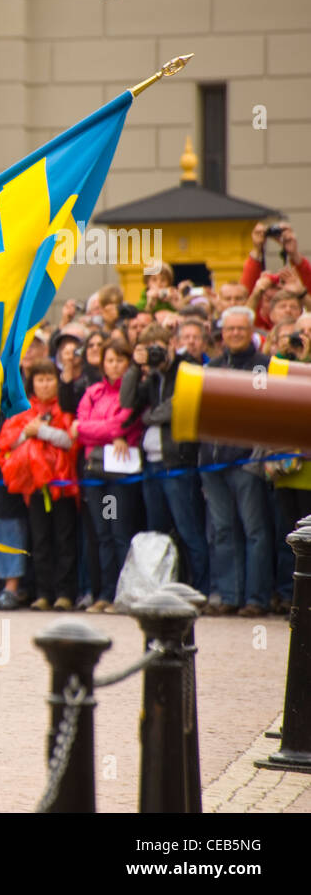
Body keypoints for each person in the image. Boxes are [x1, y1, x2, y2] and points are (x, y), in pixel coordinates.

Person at [122, 324, 210, 597]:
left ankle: (199, 589)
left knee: (189, 530)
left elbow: (178, 403)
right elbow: (127, 401)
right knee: (157, 533)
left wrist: (148, 417)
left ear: (172, 343)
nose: (155, 353)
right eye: (150, 349)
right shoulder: (152, 376)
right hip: (152, 465)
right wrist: (136, 367)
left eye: (159, 347)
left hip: (178, 464)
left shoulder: (186, 367)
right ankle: (159, 590)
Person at [198, 306, 274, 617]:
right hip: (213, 464)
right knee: (223, 531)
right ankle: (229, 595)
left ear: (251, 330)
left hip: (246, 462)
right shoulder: (212, 367)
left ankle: (256, 599)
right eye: (229, 329)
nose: (234, 334)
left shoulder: (264, 366)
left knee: (255, 531)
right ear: (222, 333)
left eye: (240, 329)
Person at [0, 360, 78, 611]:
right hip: (34, 487)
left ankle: (65, 593)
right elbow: (8, 444)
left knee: (64, 539)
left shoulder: (65, 407)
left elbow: (70, 441)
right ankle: (43, 592)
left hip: (62, 486)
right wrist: (29, 432)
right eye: (39, 380)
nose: (44, 384)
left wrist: (42, 431)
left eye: (49, 379)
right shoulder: (24, 410)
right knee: (39, 541)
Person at [73, 340, 143, 613]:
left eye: (119, 360)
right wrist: (111, 434)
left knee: (119, 531)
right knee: (101, 534)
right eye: (109, 360)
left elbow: (124, 422)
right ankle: (101, 593)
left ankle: (119, 593)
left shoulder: (132, 391)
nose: (114, 366)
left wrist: (101, 430)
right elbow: (79, 427)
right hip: (95, 472)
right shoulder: (93, 392)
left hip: (120, 474)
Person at [242, 221, 311, 330]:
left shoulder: (306, 330)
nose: (287, 311)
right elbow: (244, 317)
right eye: (269, 300)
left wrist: (294, 253)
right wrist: (257, 250)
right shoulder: (259, 331)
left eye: (293, 306)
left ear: (301, 310)